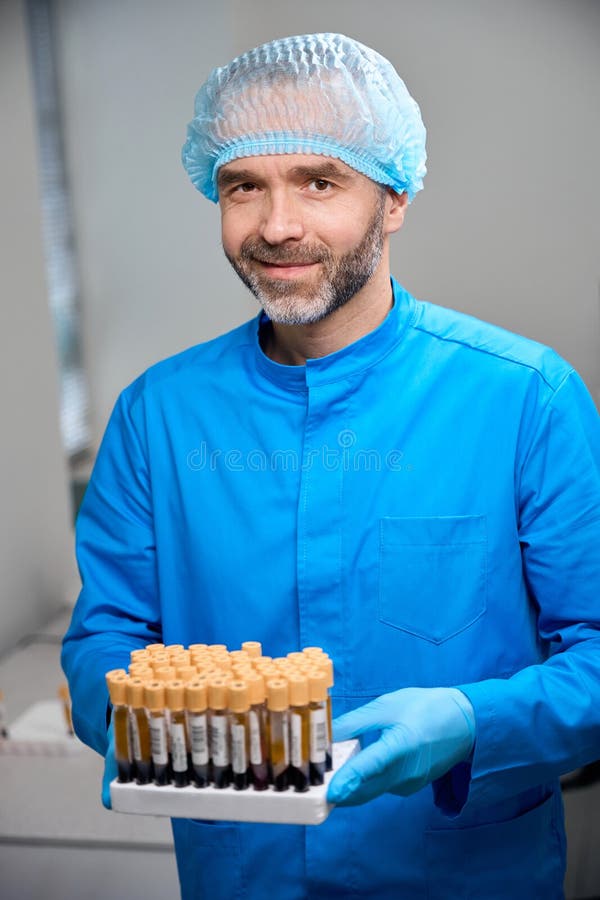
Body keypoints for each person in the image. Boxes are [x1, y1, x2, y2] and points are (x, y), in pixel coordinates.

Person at [62, 32, 600, 899]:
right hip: (243, 874)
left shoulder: (525, 400)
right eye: (245, 186)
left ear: (394, 196)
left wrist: (472, 720)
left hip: (462, 877)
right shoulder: (158, 414)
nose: (277, 226)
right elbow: (107, 636)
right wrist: (130, 719)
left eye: (320, 181)